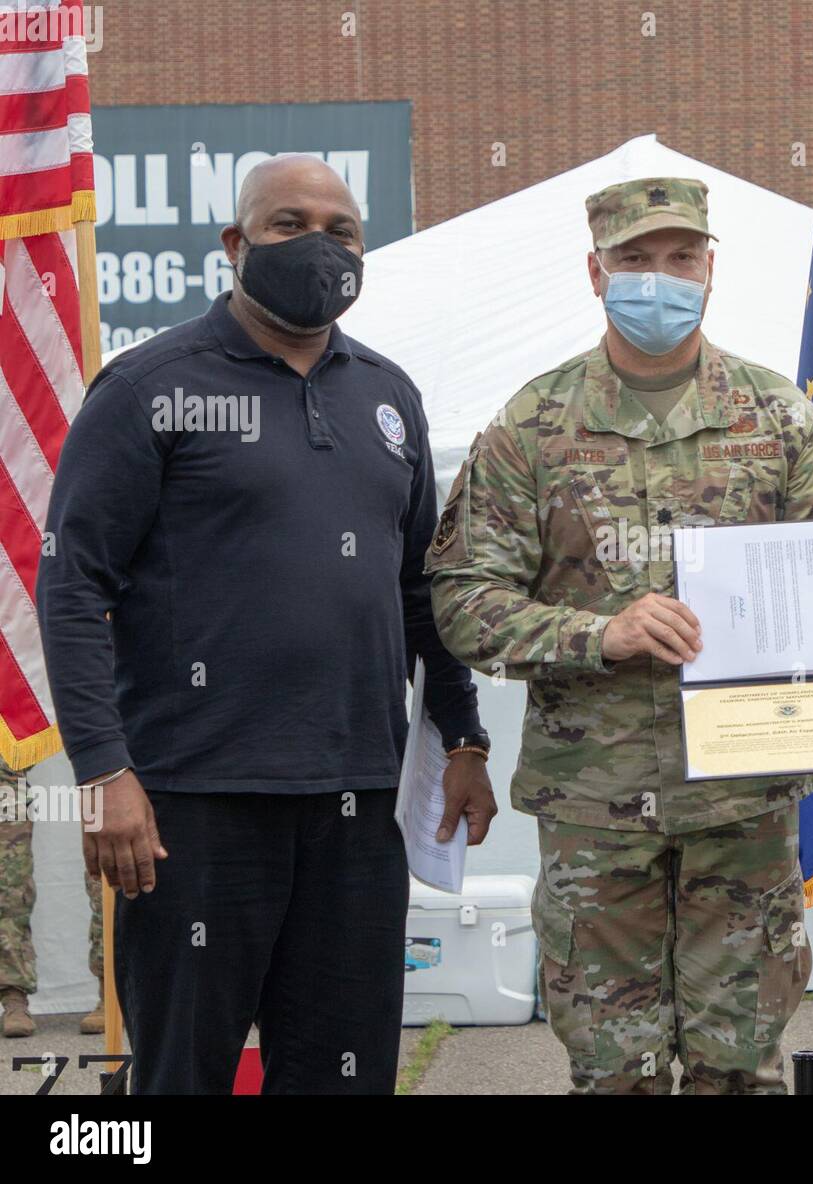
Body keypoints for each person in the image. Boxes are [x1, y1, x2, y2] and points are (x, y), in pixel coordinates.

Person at [36, 155, 495, 1094]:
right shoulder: (147, 387)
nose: (320, 244)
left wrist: (466, 737)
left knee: (343, 1076)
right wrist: (104, 774)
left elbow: (422, 592)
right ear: (235, 246)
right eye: (290, 225)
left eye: (343, 229)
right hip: (190, 809)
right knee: (181, 1078)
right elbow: (72, 587)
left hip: (357, 809)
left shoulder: (389, 397)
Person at [428, 177, 813, 1093]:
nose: (657, 278)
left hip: (740, 806)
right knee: (612, 1071)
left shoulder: (779, 419)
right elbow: (464, 599)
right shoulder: (531, 428)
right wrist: (597, 634)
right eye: (633, 260)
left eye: (678, 258)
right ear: (595, 272)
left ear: (711, 269)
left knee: (741, 1069)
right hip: (598, 812)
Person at [0, 755, 105, 1038]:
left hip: (103, 726)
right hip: (12, 720)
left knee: (110, 860)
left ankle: (114, 989)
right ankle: (12, 995)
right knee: (5, 875)